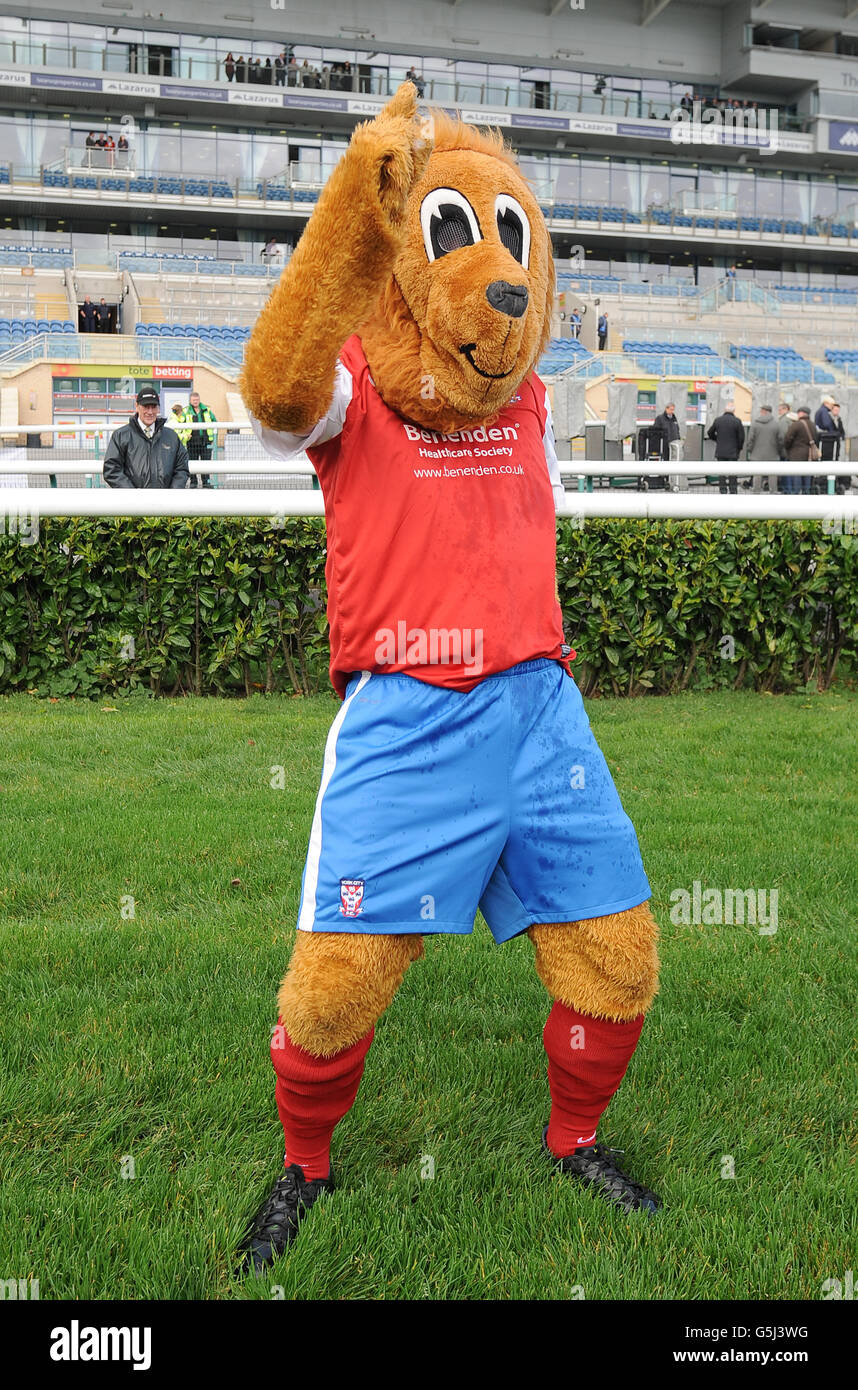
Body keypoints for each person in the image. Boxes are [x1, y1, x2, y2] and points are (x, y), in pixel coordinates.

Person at [239, 88, 661, 1273]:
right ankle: (305, 1165)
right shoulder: (350, 397)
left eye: (513, 240)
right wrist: (349, 215)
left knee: (618, 956)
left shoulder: (526, 399)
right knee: (331, 994)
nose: (501, 280)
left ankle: (574, 1137)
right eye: (453, 237)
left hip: (540, 713)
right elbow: (273, 386)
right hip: (405, 718)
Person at [102, 387, 189, 489]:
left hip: (165, 502)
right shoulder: (121, 436)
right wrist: (133, 495)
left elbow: (182, 468)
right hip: (133, 503)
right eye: (146, 407)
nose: (150, 412)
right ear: (137, 406)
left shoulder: (171, 436)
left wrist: (172, 493)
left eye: (153, 407)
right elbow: (112, 469)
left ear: (158, 408)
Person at [707, 401, 745, 493]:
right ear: (734, 411)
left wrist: (717, 439)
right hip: (733, 451)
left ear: (725, 410)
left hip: (721, 451)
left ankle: (723, 490)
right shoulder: (737, 421)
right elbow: (741, 437)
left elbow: (709, 432)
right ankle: (733, 490)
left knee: (722, 473)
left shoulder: (718, 420)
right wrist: (738, 448)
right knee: (733, 473)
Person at [183, 390, 217, 488]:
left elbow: (215, 421)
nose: (195, 402)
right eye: (193, 400)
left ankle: (206, 482)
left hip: (205, 441)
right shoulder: (186, 411)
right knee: (192, 463)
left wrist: (213, 437)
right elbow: (180, 424)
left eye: (197, 400)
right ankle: (193, 482)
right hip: (192, 442)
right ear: (190, 401)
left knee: (206, 463)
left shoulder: (207, 410)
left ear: (199, 400)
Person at [783, 406, 818, 496]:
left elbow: (787, 439)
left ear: (801, 413)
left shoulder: (796, 424)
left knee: (796, 475)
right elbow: (816, 439)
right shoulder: (813, 425)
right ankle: (806, 493)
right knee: (807, 475)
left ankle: (797, 494)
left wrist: (788, 448)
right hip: (809, 455)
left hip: (796, 454)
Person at [746, 403, 779, 493]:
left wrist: (750, 449)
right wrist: (778, 451)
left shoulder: (755, 424)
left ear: (764, 411)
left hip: (757, 454)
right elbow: (780, 439)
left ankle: (756, 491)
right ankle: (773, 491)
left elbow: (750, 439)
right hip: (773, 454)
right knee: (772, 475)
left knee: (757, 474)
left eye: (761, 411)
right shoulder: (776, 424)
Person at [829, 403, 850, 493]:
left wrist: (842, 436)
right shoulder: (829, 419)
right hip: (830, 444)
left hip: (837, 444)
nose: (837, 412)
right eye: (835, 410)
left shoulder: (839, 419)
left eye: (838, 410)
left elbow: (842, 431)